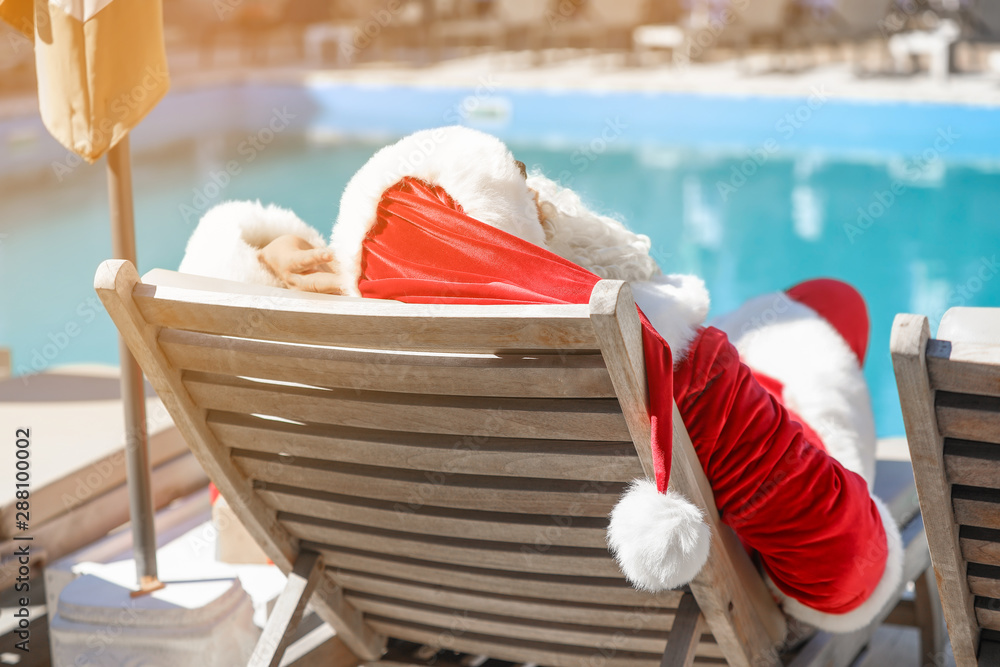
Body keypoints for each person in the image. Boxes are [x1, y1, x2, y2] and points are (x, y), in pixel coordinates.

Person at [180, 126, 901, 634]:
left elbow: (233, 499)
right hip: (670, 559)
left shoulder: (297, 392)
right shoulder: (671, 370)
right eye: (530, 190)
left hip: (430, 590)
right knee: (834, 304)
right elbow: (845, 571)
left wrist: (258, 279)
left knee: (813, 308)